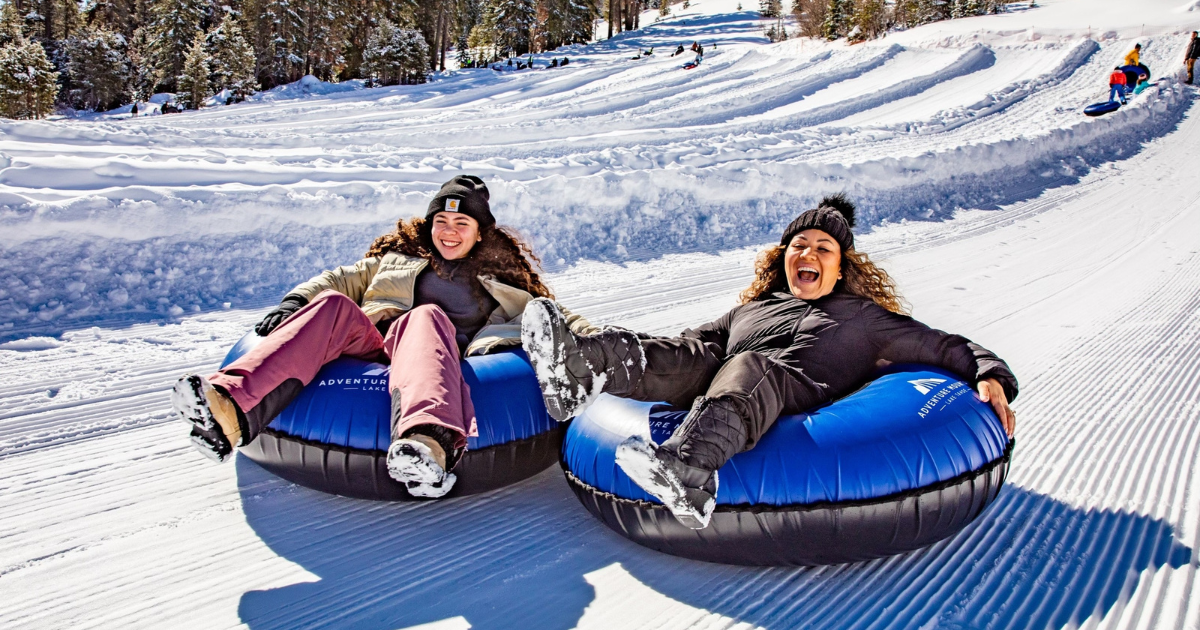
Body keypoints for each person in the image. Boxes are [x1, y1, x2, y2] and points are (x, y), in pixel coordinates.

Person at [522, 195, 1017, 529]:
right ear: (783, 257)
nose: (808, 253)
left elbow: (944, 346)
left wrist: (991, 374)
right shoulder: (754, 308)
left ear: (841, 267)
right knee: (689, 354)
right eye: (799, 245)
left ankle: (690, 472)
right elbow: (694, 343)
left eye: (823, 248)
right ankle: (578, 368)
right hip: (726, 385)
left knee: (751, 365)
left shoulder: (864, 318)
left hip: (789, 390)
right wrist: (624, 347)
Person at [171, 175, 598, 497]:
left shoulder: (502, 283)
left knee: (425, 316)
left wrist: (600, 342)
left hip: (437, 359)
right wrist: (295, 302)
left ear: (480, 230)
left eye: (461, 222)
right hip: (373, 347)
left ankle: (428, 444)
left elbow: (557, 318)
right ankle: (229, 412)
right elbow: (340, 279)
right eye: (441, 220)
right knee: (333, 305)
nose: (448, 231)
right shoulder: (397, 259)